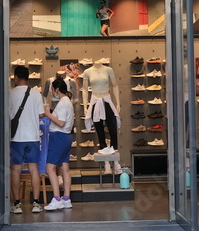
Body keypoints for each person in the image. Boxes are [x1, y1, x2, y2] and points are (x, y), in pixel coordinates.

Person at [9, 65, 45, 214]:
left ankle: (17, 204)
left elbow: (8, 115)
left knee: (16, 170)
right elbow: (42, 114)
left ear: (16, 77)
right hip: (33, 136)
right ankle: (36, 203)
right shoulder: (36, 94)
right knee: (34, 169)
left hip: (16, 138)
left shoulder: (10, 94)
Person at [81, 59, 122, 174]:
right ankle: (106, 165)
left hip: (107, 100)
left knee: (113, 130)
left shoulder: (108, 70)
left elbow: (115, 86)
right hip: (95, 101)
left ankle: (116, 163)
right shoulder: (87, 71)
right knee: (100, 132)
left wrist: (118, 102)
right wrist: (85, 105)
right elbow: (84, 89)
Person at [41, 78, 75, 211]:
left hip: (59, 137)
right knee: (65, 169)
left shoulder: (62, 103)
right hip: (66, 137)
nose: (51, 92)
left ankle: (56, 198)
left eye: (52, 90)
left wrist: (48, 114)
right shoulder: (68, 102)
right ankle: (66, 198)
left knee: (50, 168)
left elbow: (60, 122)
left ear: (56, 89)